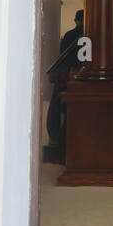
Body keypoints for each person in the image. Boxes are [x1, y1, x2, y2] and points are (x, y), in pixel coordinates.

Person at [45, 9, 84, 151]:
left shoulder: (69, 35)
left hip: (67, 75)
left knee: (61, 106)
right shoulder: (89, 36)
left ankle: (58, 138)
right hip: (82, 77)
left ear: (75, 20)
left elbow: (62, 56)